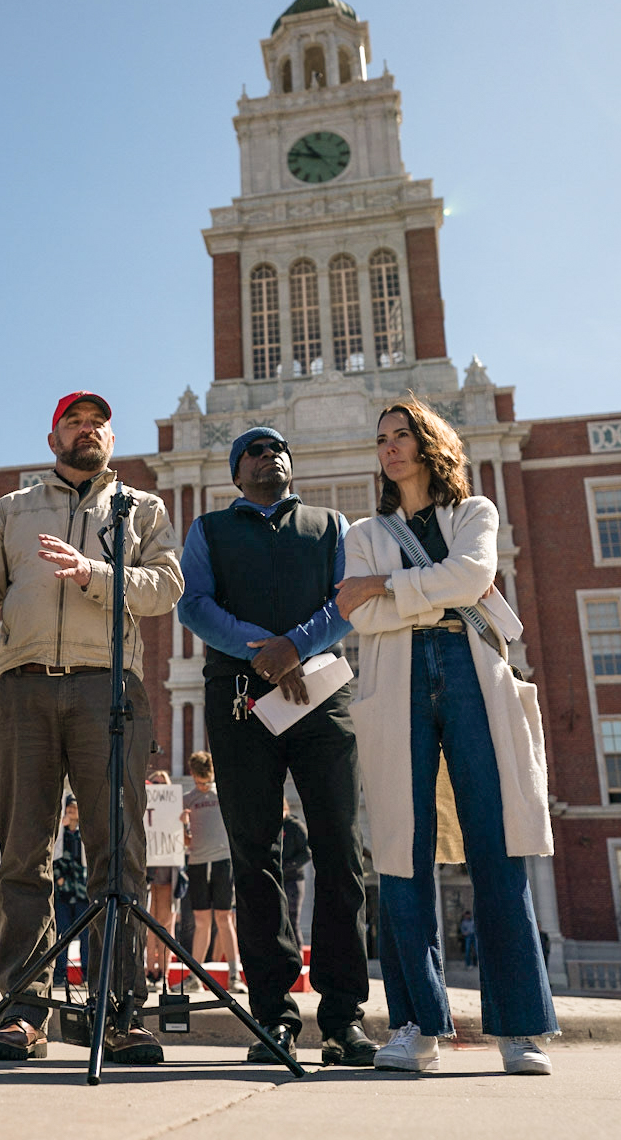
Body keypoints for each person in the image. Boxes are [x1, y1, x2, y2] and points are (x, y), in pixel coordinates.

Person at [0, 391, 182, 1063]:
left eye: (98, 423)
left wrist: (93, 574)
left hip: (110, 689)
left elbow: (165, 589)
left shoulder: (141, 508)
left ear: (111, 439)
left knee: (117, 854)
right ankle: (24, 1012)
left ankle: (120, 1013)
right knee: (24, 854)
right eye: (75, 422)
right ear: (54, 439)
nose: (87, 430)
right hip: (23, 689)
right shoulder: (11, 508)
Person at [335, 397, 558, 1076]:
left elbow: (474, 576)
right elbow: (360, 617)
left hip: (471, 672)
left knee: (496, 843)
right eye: (382, 438)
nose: (390, 447)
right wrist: (430, 592)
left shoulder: (475, 514)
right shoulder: (363, 532)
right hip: (397, 680)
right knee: (402, 854)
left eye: (402, 434)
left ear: (430, 443)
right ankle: (416, 1027)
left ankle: (518, 1029)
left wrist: (388, 587)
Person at [177, 425, 375, 1067]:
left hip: (322, 693)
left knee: (340, 849)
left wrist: (296, 646)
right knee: (255, 854)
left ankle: (343, 1018)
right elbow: (193, 605)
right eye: (256, 451)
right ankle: (273, 1016)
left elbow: (347, 600)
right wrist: (261, 650)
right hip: (240, 698)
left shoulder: (330, 525)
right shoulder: (209, 530)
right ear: (237, 473)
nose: (271, 456)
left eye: (279, 449)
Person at [179, 752, 242, 994]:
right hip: (197, 862)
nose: (204, 786)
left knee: (224, 918)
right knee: (201, 921)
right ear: (193, 776)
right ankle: (195, 977)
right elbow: (183, 841)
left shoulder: (223, 794)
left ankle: (234, 976)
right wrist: (182, 824)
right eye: (200, 782)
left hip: (222, 861)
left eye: (207, 782)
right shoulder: (188, 800)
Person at [144, 770, 178, 988]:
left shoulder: (175, 810)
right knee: (147, 924)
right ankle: (149, 970)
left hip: (166, 871)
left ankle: (164, 972)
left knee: (165, 924)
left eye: (161, 784)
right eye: (154, 783)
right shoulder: (144, 807)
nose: (157, 787)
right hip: (148, 871)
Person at [51, 798, 87, 987]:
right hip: (63, 892)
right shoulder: (60, 834)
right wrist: (58, 877)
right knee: (62, 935)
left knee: (86, 936)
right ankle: (59, 975)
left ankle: (87, 975)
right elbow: (53, 855)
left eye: (75, 807)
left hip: (82, 892)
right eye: (69, 807)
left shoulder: (85, 834)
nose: (72, 810)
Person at [281, 799, 312, 944]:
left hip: (293, 879)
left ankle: (298, 950)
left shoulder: (295, 826)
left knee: (293, 920)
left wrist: (289, 865)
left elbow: (307, 852)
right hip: (279, 878)